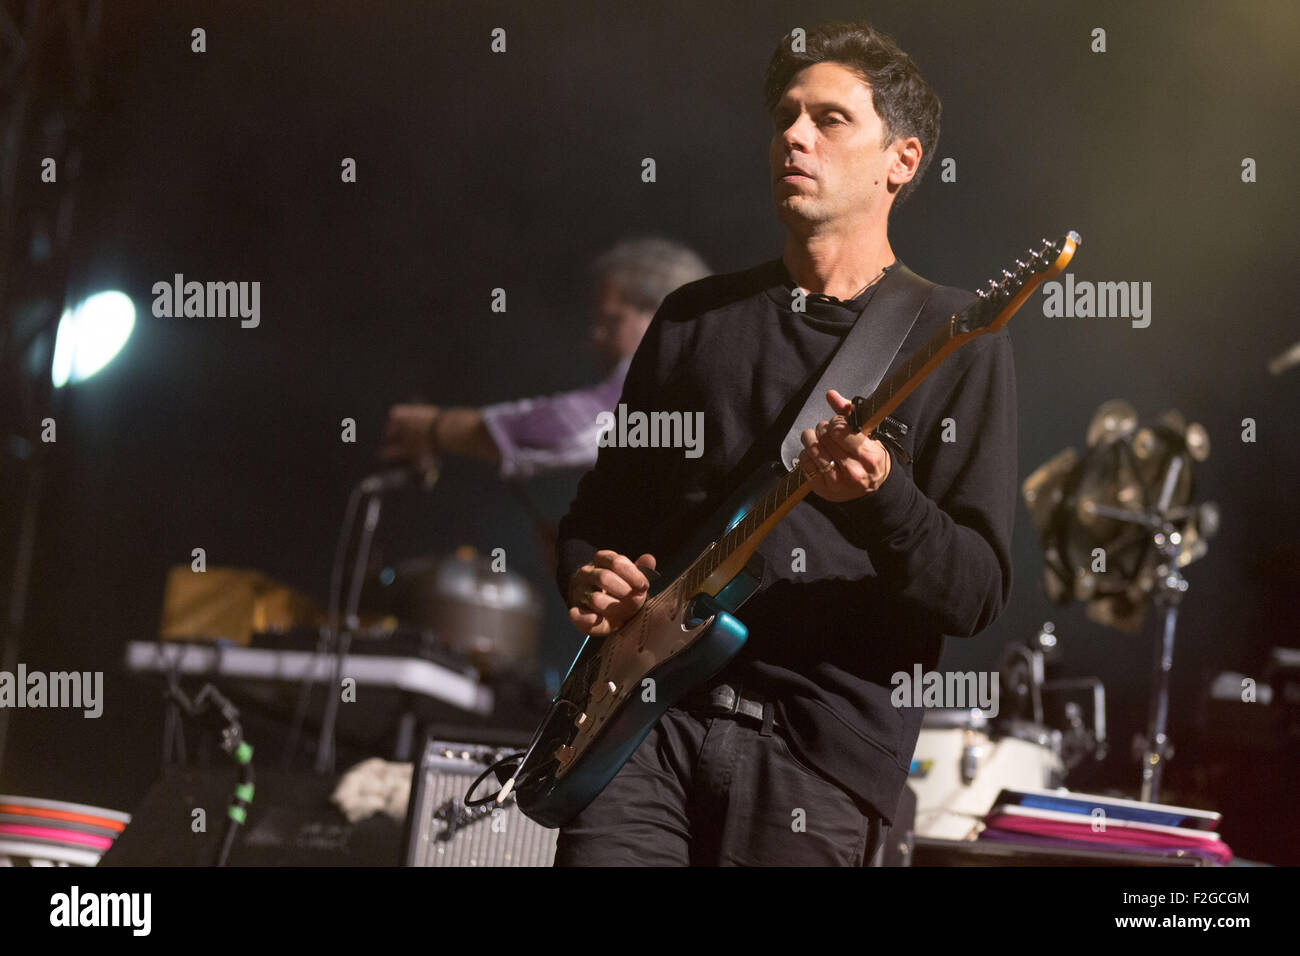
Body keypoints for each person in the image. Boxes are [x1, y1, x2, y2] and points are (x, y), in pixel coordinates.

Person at [552, 20, 1018, 866]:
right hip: (644, 728)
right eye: (785, 118)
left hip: (816, 761)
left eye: (830, 119)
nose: (793, 137)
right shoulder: (694, 318)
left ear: (901, 160)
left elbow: (977, 593)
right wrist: (589, 574)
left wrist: (885, 502)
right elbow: (596, 515)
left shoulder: (957, 342)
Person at [379, 238, 710, 481]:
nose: (596, 337)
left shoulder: (674, 370)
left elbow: (575, 426)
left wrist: (434, 427)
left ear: (664, 312)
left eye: (612, 321)